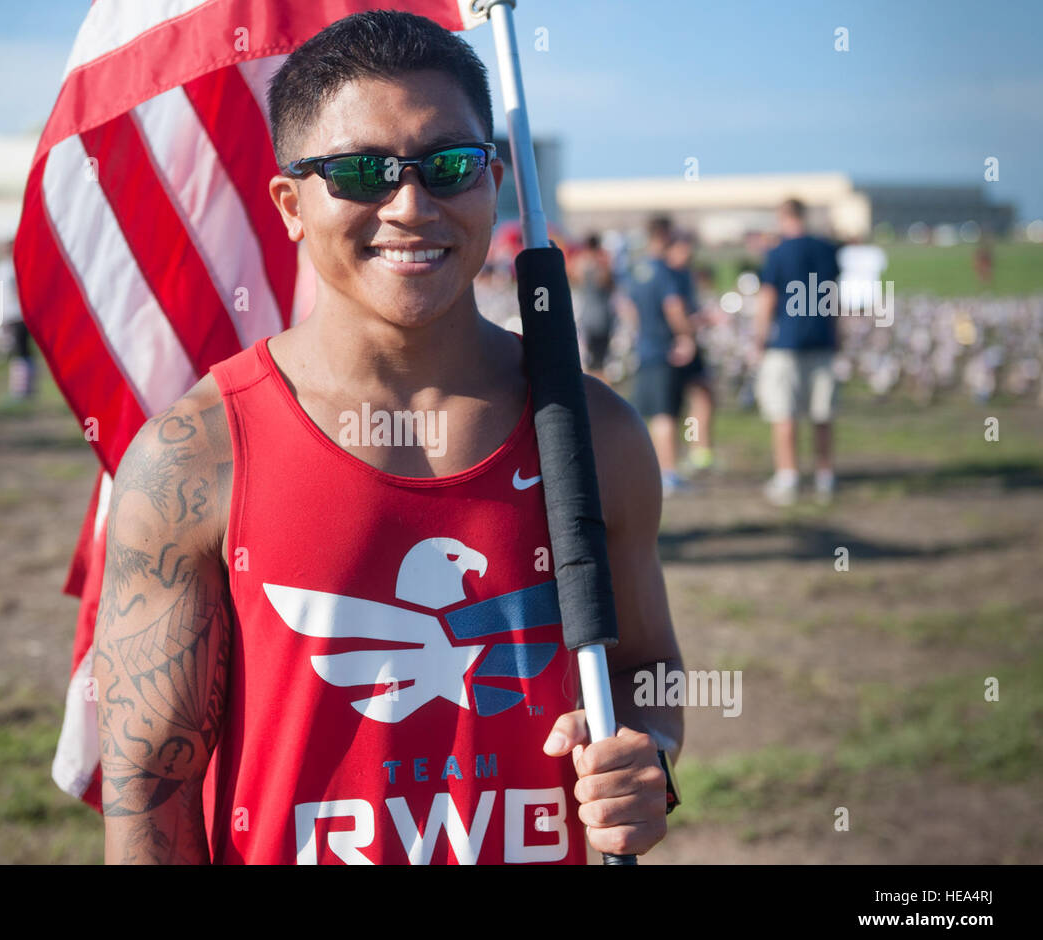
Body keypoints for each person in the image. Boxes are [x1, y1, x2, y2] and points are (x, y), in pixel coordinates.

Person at [92, 10, 682, 865]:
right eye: (362, 173)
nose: (411, 205)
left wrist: (646, 756)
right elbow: (151, 787)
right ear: (292, 204)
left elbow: (647, 666)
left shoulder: (597, 433)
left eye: (448, 165)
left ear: (495, 179)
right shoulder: (195, 455)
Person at [752, 198, 840, 505]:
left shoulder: (777, 253)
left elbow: (768, 298)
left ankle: (788, 476)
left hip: (785, 343)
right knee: (822, 412)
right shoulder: (827, 249)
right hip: (822, 339)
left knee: (784, 412)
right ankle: (825, 476)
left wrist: (759, 338)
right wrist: (836, 334)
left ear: (784, 217)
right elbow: (832, 297)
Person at [621, 215, 702, 497]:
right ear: (665, 234)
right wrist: (686, 336)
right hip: (665, 351)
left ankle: (655, 471)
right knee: (666, 415)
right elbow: (674, 307)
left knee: (652, 414)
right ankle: (667, 475)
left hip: (646, 348)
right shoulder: (666, 271)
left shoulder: (637, 268)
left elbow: (628, 307)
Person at [665, 231, 715, 475]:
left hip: (691, 345)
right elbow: (674, 312)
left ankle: (698, 450)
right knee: (671, 409)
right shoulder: (668, 277)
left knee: (702, 396)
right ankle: (672, 462)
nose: (689, 254)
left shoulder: (686, 275)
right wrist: (688, 333)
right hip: (676, 349)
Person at [0, 241, 34, 401]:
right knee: (13, 351)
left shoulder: (17, 265)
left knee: (21, 350)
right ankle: (18, 387)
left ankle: (24, 388)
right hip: (5, 314)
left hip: (18, 314)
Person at [571, 232, 615, 373]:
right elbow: (609, 285)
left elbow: (574, 280)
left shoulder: (580, 263)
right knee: (600, 361)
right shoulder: (602, 264)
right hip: (601, 316)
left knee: (590, 360)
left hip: (587, 316)